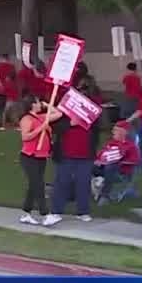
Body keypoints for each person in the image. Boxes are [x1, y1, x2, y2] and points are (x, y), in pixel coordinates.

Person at [43, 89, 97, 227]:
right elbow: (53, 127)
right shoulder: (65, 114)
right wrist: (70, 124)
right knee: (62, 182)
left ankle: (83, 212)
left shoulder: (91, 115)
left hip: (85, 156)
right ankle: (56, 211)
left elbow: (100, 128)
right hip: (66, 155)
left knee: (83, 184)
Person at [17, 94, 60, 225]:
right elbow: (25, 137)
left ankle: (26, 213)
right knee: (39, 185)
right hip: (30, 157)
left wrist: (47, 105)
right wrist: (40, 129)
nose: (39, 104)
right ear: (32, 105)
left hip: (41, 157)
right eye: (37, 102)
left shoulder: (41, 117)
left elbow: (59, 114)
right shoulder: (26, 119)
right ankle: (45, 214)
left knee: (33, 186)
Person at [95, 120, 141, 204]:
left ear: (124, 132)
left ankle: (105, 196)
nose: (113, 132)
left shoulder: (131, 146)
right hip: (103, 168)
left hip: (120, 172)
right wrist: (98, 161)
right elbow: (99, 156)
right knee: (86, 166)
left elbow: (135, 161)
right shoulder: (110, 143)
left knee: (111, 167)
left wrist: (116, 163)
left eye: (116, 130)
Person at [0, 54, 17, 127]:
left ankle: (1, 124)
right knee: (7, 109)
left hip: (0, 90)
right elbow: (14, 78)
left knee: (0, 109)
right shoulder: (12, 67)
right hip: (9, 90)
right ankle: (8, 123)